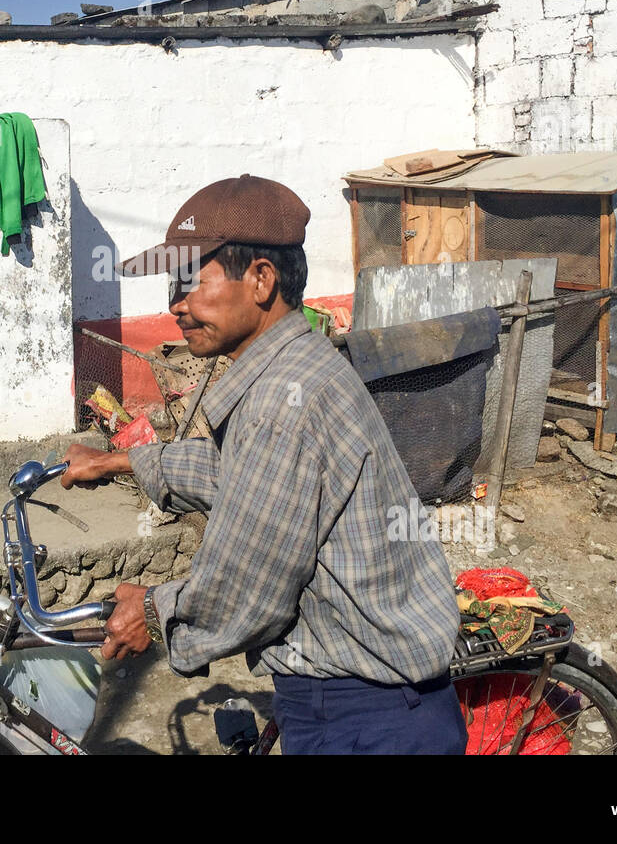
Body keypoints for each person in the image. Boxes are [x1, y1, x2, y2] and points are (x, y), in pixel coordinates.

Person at [61, 174, 467, 755]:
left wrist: (151, 614)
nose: (174, 306)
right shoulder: (292, 370)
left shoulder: (283, 399)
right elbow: (231, 473)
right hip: (372, 700)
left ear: (260, 279)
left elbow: (246, 586)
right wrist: (117, 461)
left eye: (189, 283)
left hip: (364, 712)